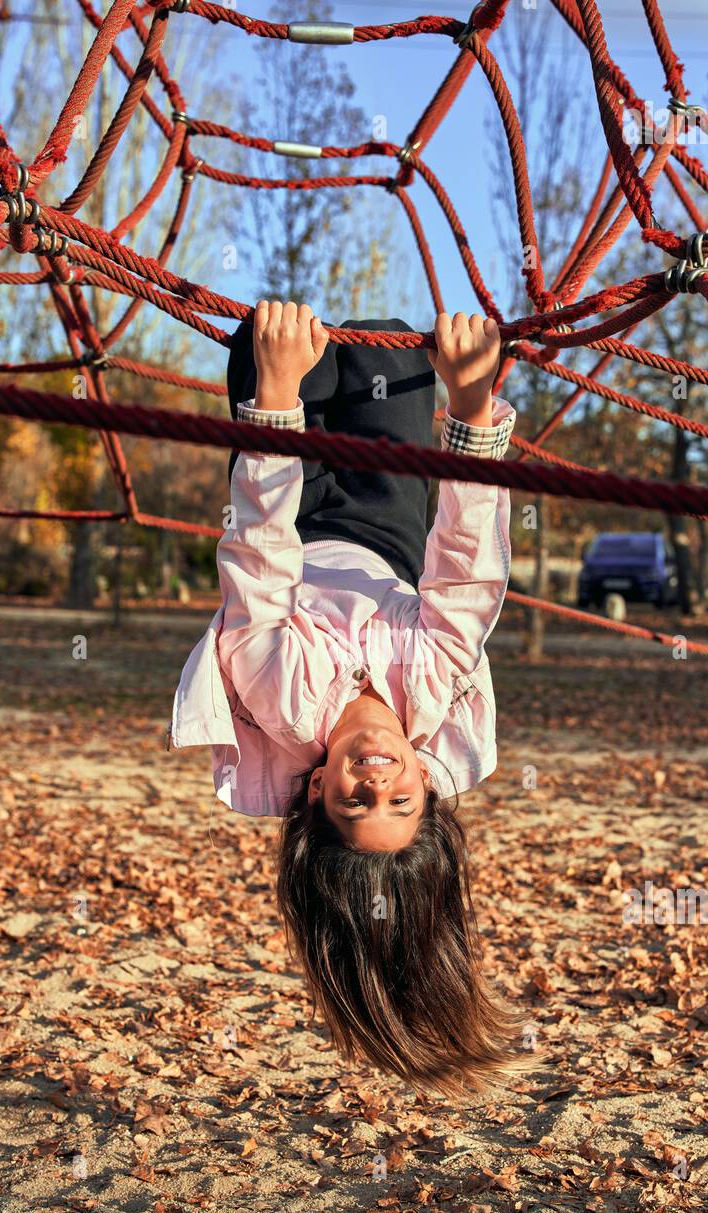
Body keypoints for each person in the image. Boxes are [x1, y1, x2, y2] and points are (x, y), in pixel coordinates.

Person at [171, 300, 525, 1094]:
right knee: (388, 350)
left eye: (354, 806)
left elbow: (259, 560)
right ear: (427, 789)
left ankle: (274, 371)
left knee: (269, 337)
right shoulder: (431, 691)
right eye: (400, 804)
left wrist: (273, 399)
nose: (377, 783)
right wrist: (472, 411)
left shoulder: (283, 702)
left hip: (287, 497)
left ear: (314, 795)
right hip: (387, 522)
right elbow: (468, 572)